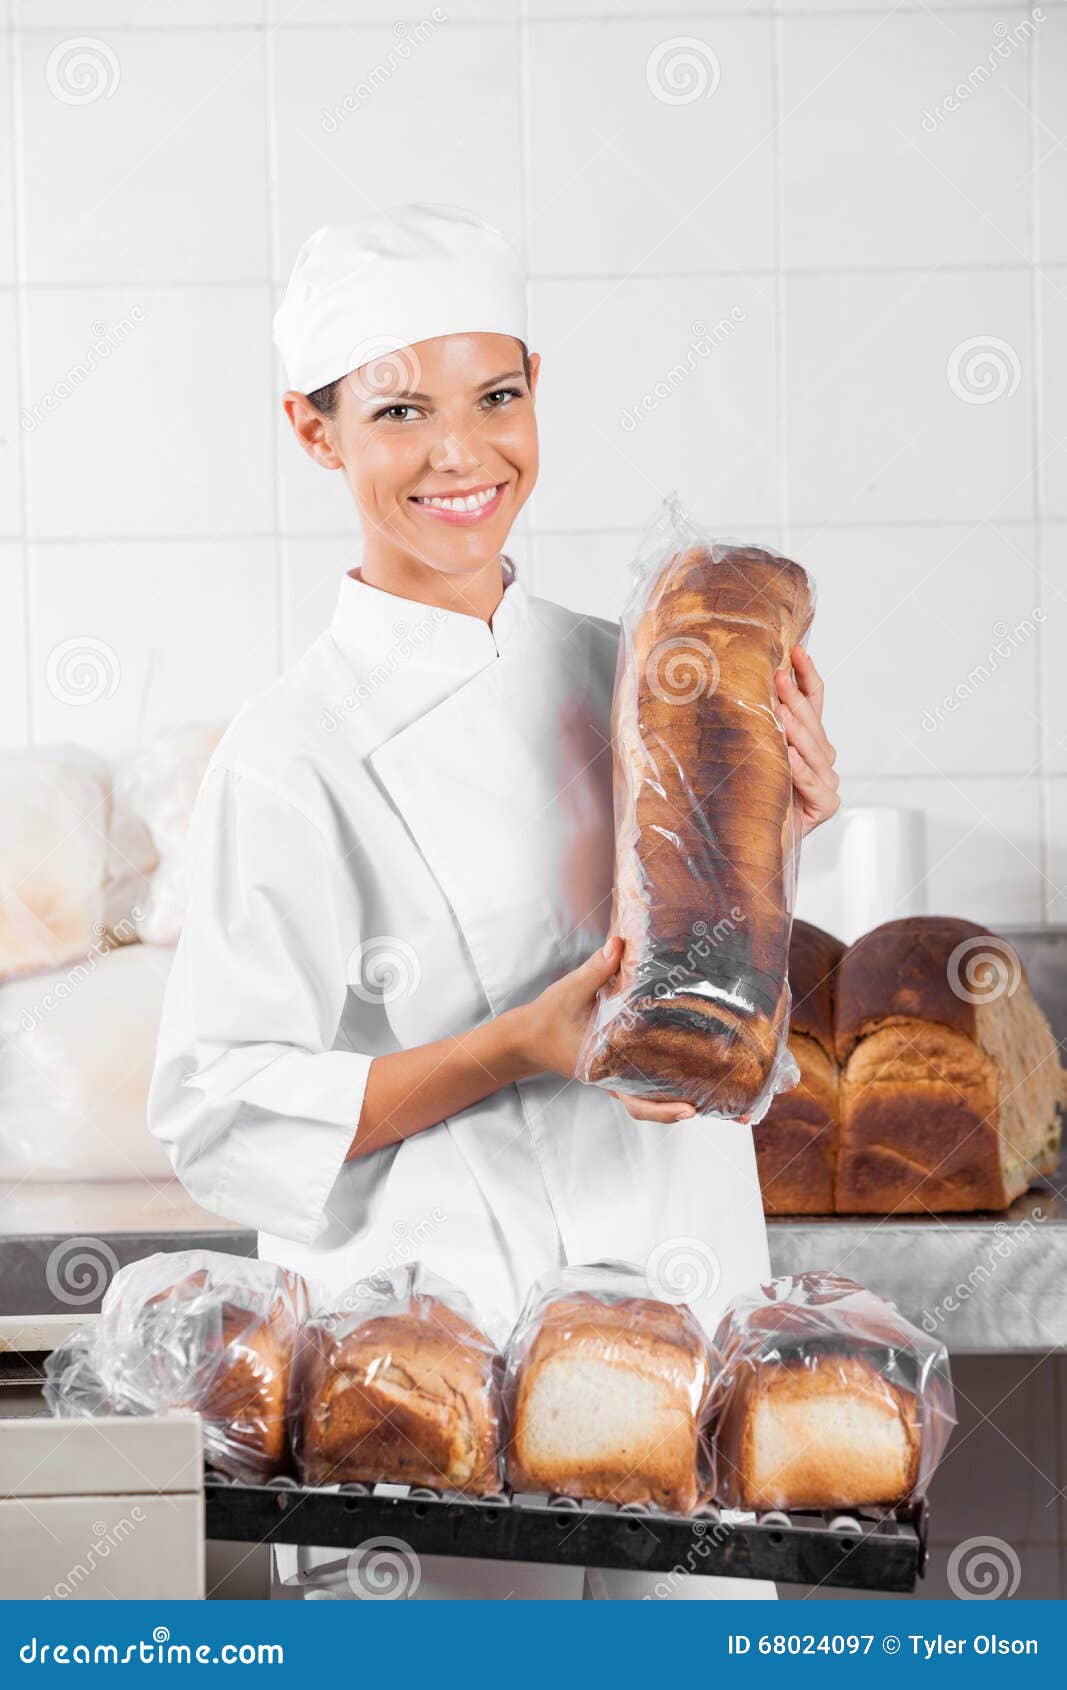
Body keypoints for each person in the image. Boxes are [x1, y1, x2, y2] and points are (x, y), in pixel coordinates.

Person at [148, 203, 840, 1600]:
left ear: (538, 392)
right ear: (314, 432)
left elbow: (687, 995)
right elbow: (218, 1110)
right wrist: (513, 1048)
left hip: (678, 1349)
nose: (462, 453)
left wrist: (774, 845)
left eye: (496, 397)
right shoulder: (289, 751)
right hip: (423, 1393)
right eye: (400, 411)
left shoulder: (640, 670)